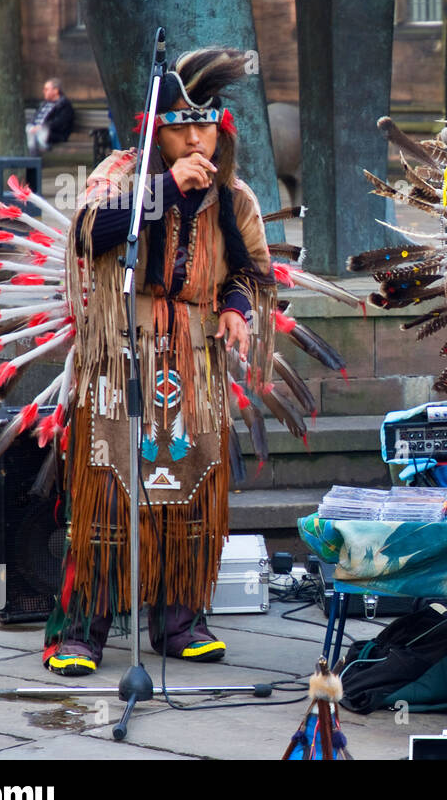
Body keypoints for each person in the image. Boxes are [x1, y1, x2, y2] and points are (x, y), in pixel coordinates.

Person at [43, 48, 274, 676]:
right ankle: (82, 629)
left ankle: (179, 620)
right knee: (109, 488)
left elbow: (253, 271)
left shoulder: (234, 195)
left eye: (205, 125)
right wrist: (167, 188)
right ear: (155, 129)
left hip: (194, 358)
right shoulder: (120, 175)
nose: (196, 138)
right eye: (180, 125)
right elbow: (90, 233)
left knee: (190, 486)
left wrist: (236, 308)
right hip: (123, 354)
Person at [25, 78, 75, 156]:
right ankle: (34, 154)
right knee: (28, 130)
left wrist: (42, 127)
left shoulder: (64, 105)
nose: (43, 91)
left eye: (46, 89)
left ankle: (34, 158)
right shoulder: (44, 104)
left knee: (33, 136)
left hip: (54, 133)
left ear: (55, 91)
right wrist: (32, 126)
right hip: (38, 131)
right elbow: (35, 118)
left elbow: (60, 123)